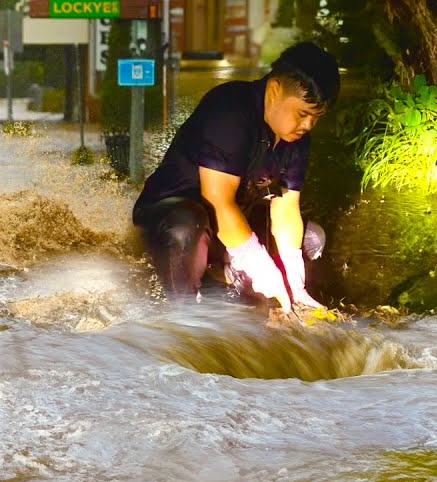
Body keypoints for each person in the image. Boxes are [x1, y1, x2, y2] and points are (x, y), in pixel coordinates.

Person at [132, 41, 340, 313]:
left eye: (316, 117)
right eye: (303, 114)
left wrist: (295, 282)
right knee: (187, 225)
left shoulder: (296, 139)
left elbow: (287, 209)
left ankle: (241, 288)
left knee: (312, 238)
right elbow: (218, 200)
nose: (308, 125)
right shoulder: (230, 109)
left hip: (230, 225)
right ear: (275, 90)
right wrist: (258, 262)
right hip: (173, 220)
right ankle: (185, 317)